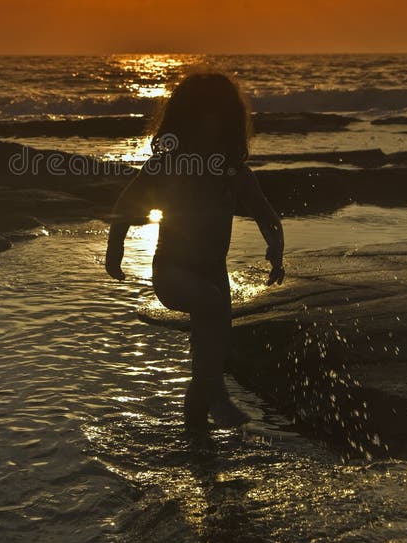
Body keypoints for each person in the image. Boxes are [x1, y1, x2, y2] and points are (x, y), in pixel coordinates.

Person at [104, 70, 285, 430]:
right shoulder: (167, 166)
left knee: (209, 361)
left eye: (216, 117)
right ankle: (217, 398)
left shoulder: (235, 173)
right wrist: (115, 249)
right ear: (184, 122)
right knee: (210, 305)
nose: (208, 126)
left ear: (228, 124)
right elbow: (125, 206)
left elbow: (268, 215)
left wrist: (276, 250)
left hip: (215, 274)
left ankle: (198, 439)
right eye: (200, 117)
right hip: (172, 273)